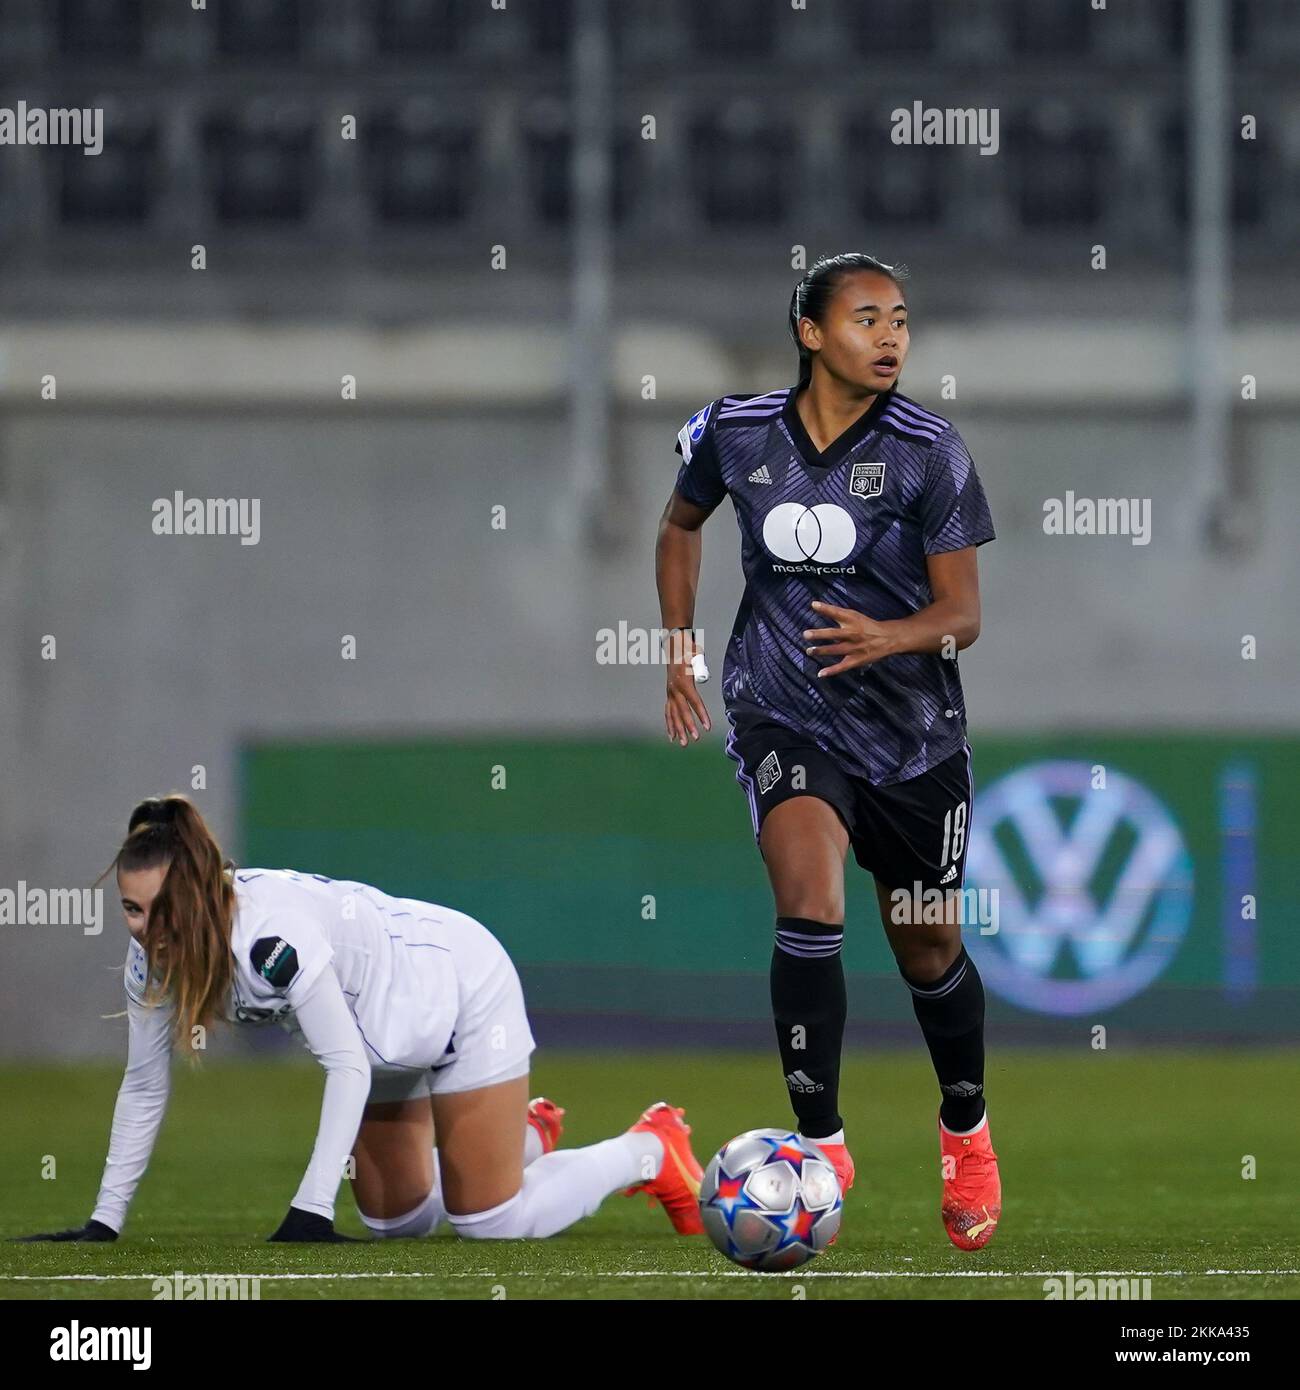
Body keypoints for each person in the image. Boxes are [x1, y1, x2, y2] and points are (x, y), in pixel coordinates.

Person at [654, 252, 1000, 1249]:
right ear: (811, 333)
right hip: (784, 712)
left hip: (911, 737)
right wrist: (678, 649)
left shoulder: (930, 450)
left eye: (900, 319)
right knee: (809, 900)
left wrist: (889, 636)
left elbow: (962, 615)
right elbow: (680, 524)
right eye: (866, 318)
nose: (890, 337)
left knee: (927, 945)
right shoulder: (734, 431)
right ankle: (820, 1144)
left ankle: (965, 1130)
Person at [17, 795, 703, 1244]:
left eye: (158, 909)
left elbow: (344, 1065)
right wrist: (104, 1222)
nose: (143, 928)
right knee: (396, 1223)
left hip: (459, 992)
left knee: (490, 1221)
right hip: (380, 1048)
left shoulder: (269, 939)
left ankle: (648, 1148)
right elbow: (143, 1085)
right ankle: (518, 1139)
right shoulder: (154, 960)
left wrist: (311, 1210)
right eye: (130, 909)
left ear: (196, 895)